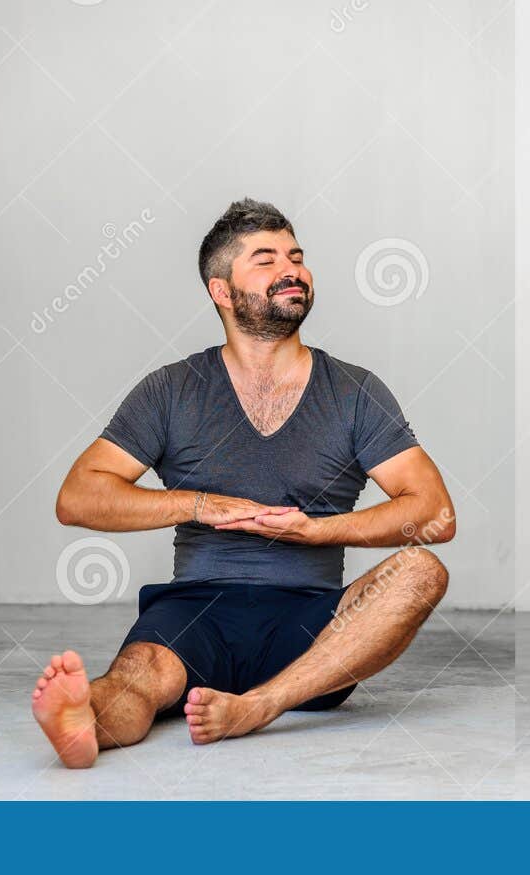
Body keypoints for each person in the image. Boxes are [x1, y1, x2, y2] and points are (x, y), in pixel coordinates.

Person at [32, 199, 457, 768]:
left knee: (422, 570)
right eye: (266, 259)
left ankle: (261, 704)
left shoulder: (355, 391)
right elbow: (77, 497)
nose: (292, 269)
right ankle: (86, 722)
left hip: (315, 627)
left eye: (296, 256)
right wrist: (199, 505)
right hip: (196, 610)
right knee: (138, 677)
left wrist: (319, 531)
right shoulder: (171, 390)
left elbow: (435, 514)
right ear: (222, 292)